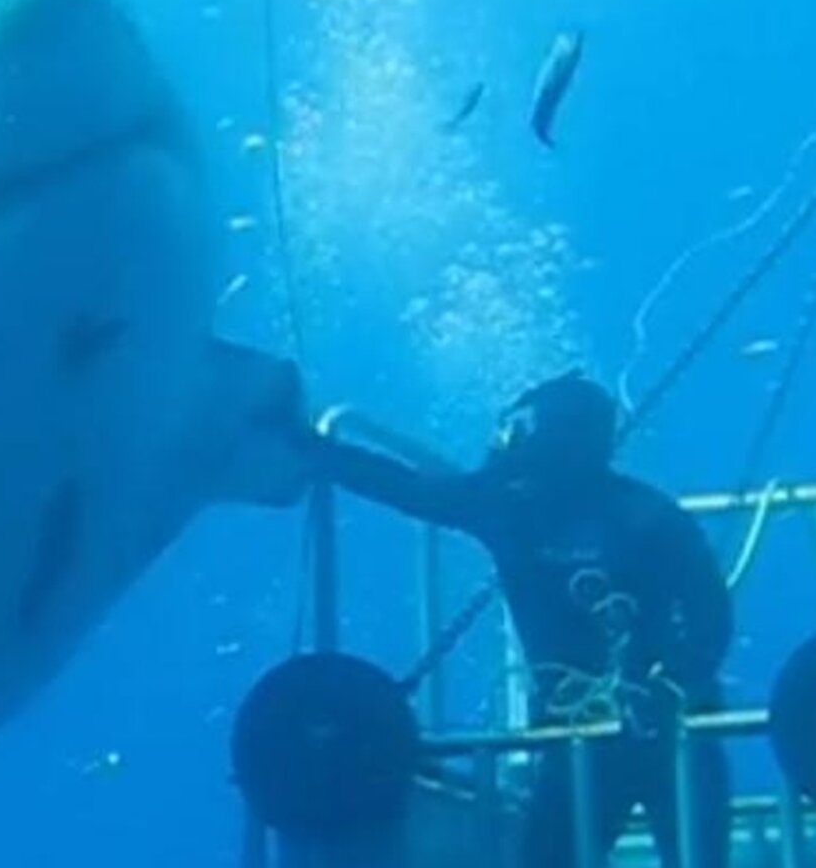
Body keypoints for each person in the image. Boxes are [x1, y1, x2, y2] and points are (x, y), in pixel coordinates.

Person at [291, 371, 733, 868]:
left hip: (666, 727)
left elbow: (708, 614)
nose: (506, 448)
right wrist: (320, 453)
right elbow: (407, 489)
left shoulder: (636, 516)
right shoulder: (529, 505)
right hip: (581, 734)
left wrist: (673, 682)